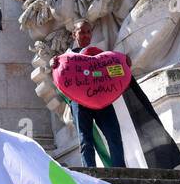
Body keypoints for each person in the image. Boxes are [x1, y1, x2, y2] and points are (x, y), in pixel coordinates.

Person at [51, 19, 126, 168]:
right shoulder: (66, 59)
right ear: (74, 34)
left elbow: (115, 71)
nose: (85, 35)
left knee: (114, 135)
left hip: (102, 100)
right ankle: (90, 171)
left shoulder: (101, 56)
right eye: (81, 32)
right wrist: (52, 65)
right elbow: (59, 79)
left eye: (88, 32)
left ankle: (120, 169)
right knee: (85, 139)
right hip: (80, 103)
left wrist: (124, 63)